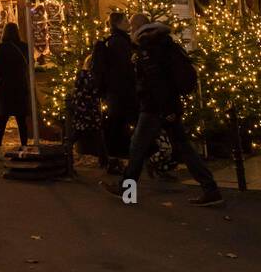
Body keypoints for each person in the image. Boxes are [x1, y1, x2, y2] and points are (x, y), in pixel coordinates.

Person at [103, 18, 222, 206]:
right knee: (183, 146)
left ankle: (127, 191)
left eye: (132, 26)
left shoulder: (147, 47)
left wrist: (166, 109)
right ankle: (211, 189)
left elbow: (156, 81)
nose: (130, 29)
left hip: (155, 108)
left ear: (138, 27)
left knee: (137, 147)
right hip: (166, 106)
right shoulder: (162, 42)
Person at [91, 10, 137, 173]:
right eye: (126, 20)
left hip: (113, 91)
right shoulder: (120, 42)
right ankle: (120, 162)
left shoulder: (113, 41)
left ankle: (116, 160)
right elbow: (124, 68)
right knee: (120, 126)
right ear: (119, 23)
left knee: (117, 125)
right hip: (121, 91)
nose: (129, 23)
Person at [0, 22, 29, 157]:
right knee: (21, 118)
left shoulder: (2, 47)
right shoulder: (24, 47)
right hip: (20, 84)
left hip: (6, 85)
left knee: (2, 117)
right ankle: (24, 145)